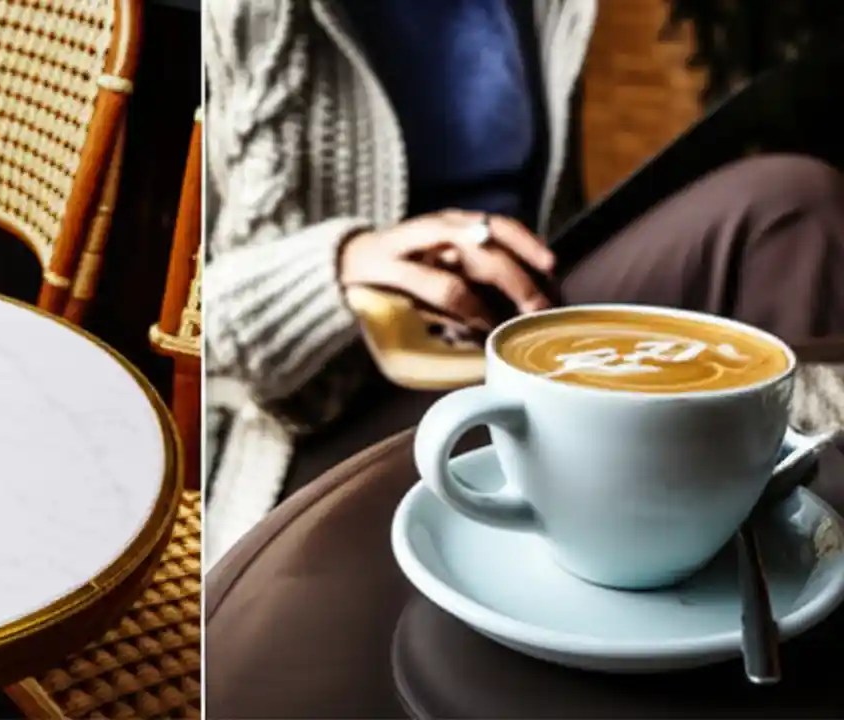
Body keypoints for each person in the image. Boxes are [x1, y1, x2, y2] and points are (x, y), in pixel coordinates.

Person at [203, 0, 844, 561]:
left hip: (511, 341)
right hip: (315, 421)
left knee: (792, 207)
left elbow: (543, 216)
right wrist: (340, 264)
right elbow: (202, 332)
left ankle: (805, 537)